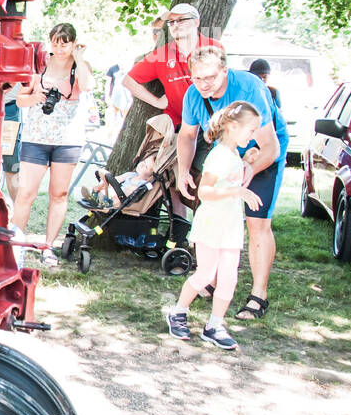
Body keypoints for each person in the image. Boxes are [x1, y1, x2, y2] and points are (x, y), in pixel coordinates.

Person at [177, 45, 287, 321]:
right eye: (197, 78)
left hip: (261, 155)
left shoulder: (249, 88)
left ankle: (258, 295)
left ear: (224, 71)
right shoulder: (194, 95)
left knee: (256, 221)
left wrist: (247, 172)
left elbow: (270, 146)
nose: (203, 85)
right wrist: (182, 170)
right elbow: (187, 136)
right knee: (219, 213)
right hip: (227, 157)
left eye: (210, 78)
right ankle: (212, 277)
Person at [166, 102, 264, 350]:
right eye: (250, 130)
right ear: (232, 126)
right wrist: (238, 190)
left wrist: (244, 162)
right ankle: (178, 312)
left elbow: (228, 177)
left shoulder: (232, 155)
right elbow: (206, 191)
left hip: (230, 226)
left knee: (229, 277)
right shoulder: (218, 155)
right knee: (206, 274)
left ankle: (215, 325)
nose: (252, 136)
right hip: (212, 225)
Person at [11, 23, 93, 265]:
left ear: (73, 43)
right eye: (56, 41)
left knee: (59, 193)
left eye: (65, 42)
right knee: (26, 192)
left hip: (67, 141)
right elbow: (19, 100)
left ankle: (48, 246)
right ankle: (15, 245)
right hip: (36, 138)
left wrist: (80, 58)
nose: (59, 47)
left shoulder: (78, 69)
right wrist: (35, 97)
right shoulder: (39, 66)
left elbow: (88, 86)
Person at [122, 3, 221, 129]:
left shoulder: (214, 47)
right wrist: (157, 102)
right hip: (180, 126)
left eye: (181, 20)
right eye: (171, 22)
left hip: (213, 122)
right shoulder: (161, 54)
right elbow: (128, 81)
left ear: (196, 22)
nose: (175, 25)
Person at [80, 155, 157, 210]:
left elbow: (130, 192)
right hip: (115, 192)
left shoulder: (142, 184)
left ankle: (97, 198)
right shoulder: (131, 174)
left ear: (150, 177)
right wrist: (106, 183)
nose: (142, 165)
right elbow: (118, 179)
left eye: (146, 167)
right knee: (109, 182)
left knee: (116, 192)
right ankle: (94, 192)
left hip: (121, 199)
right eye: (144, 161)